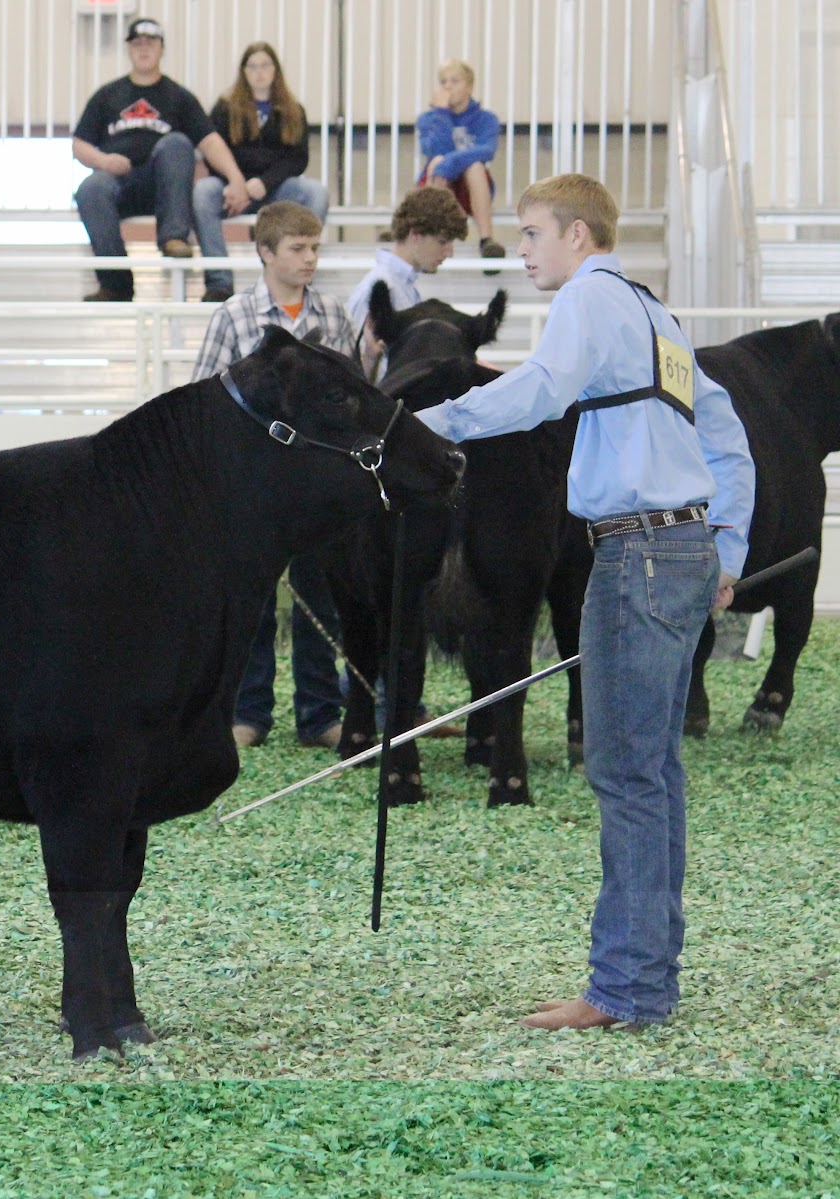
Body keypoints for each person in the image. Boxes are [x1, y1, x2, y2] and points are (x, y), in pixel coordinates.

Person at [413, 173, 754, 1031]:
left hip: (636, 552)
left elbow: (541, 390)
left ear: (578, 235)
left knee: (629, 773)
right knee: (654, 771)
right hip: (681, 546)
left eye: (531, 233)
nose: (521, 250)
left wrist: (433, 422)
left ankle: (625, 988)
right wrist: (727, 545)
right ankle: (648, 979)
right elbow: (725, 436)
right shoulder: (654, 314)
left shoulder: (590, 300)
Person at [191, 201, 367, 751]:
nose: (310, 258)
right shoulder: (233, 316)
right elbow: (205, 398)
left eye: (314, 247)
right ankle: (248, 713)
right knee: (252, 604)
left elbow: (355, 399)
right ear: (265, 252)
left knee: (321, 600)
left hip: (318, 486)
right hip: (252, 488)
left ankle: (320, 714)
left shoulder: (334, 315)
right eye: (298, 248)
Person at [72, 16, 250, 302]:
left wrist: (236, 178)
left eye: (150, 43)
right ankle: (115, 284)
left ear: (162, 49)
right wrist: (103, 161)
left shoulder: (179, 97)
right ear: (129, 49)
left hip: (166, 188)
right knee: (90, 188)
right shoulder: (107, 95)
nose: (144, 48)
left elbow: (210, 141)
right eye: (137, 43)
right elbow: (79, 144)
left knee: (177, 143)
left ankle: (174, 238)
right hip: (119, 183)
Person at [191, 41, 331, 304]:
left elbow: (297, 159)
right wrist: (236, 184)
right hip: (233, 191)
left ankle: (296, 273)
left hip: (276, 191)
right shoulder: (224, 108)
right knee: (203, 191)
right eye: (252, 66)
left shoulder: (293, 110)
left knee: (316, 193)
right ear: (243, 71)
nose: (259, 72)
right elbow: (213, 152)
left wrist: (265, 183)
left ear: (275, 70)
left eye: (265, 65)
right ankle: (219, 281)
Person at [346, 186, 470, 362]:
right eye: (442, 242)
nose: (450, 253)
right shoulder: (379, 289)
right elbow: (355, 367)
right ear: (415, 235)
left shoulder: (403, 287)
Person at [416, 60, 505, 261]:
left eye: (455, 81)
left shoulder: (486, 119)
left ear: (470, 87)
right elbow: (434, 150)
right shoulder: (428, 119)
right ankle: (437, 240)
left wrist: (450, 162)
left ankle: (486, 241)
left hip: (470, 190)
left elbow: (487, 151)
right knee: (437, 161)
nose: (447, 86)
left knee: (474, 166)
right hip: (439, 184)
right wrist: (441, 113)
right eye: (443, 82)